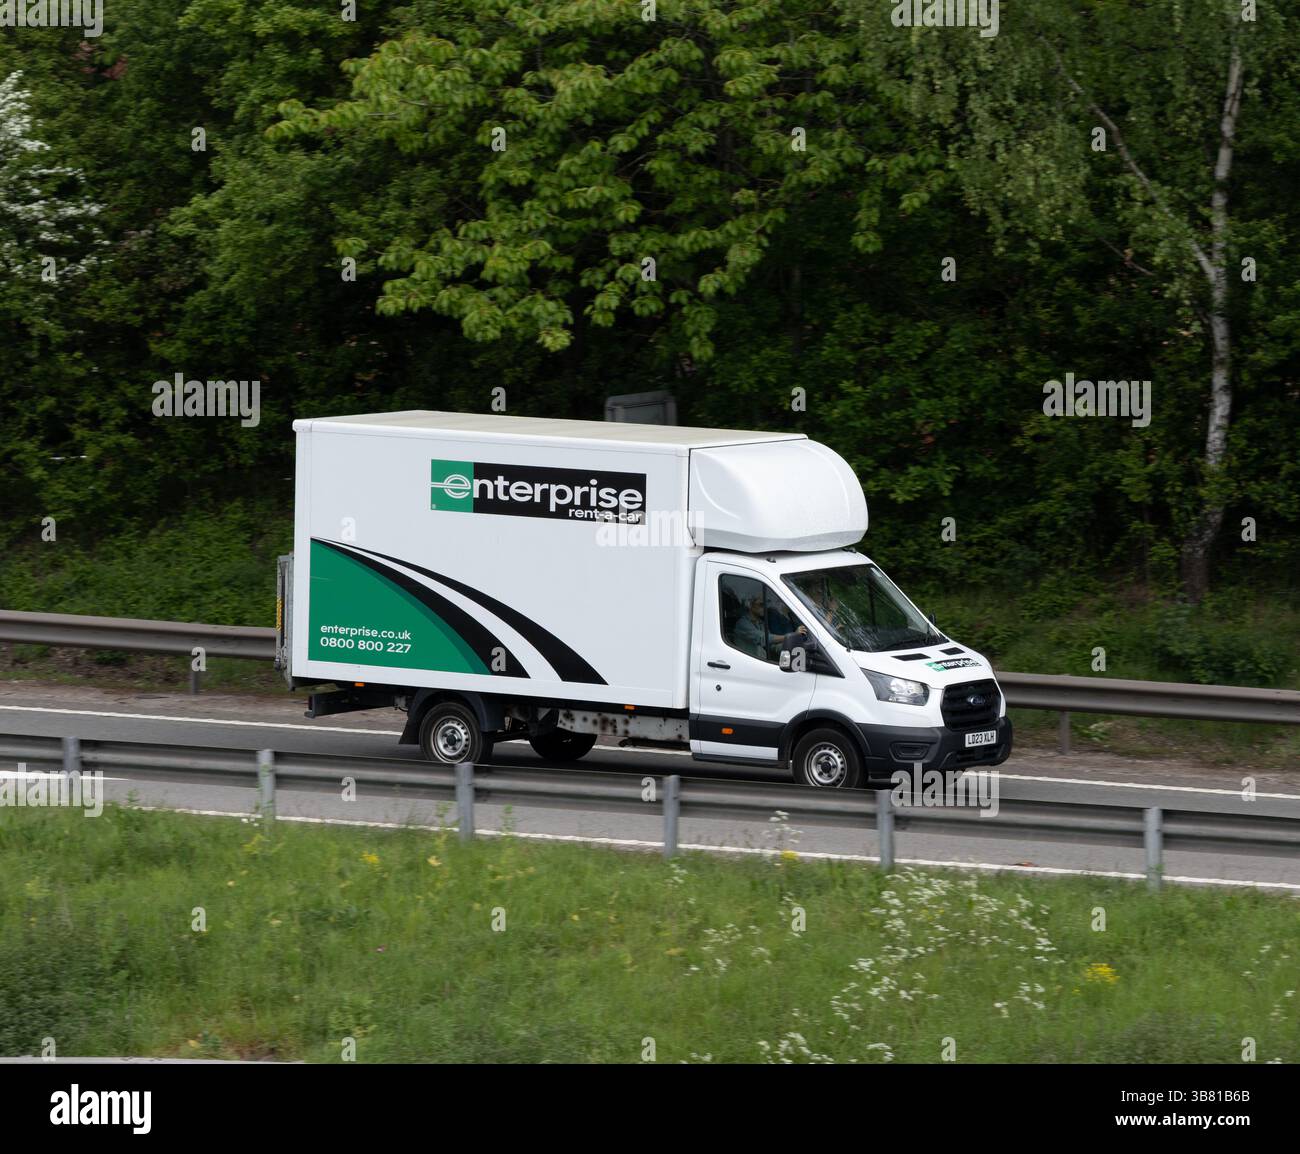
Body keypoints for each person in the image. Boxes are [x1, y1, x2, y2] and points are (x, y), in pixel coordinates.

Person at [733, 593, 768, 659]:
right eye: (761, 605)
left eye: (765, 605)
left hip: (760, 660)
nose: (764, 607)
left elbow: (770, 643)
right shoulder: (742, 623)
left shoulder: (761, 623)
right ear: (750, 605)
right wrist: (785, 637)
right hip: (746, 662)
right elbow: (762, 638)